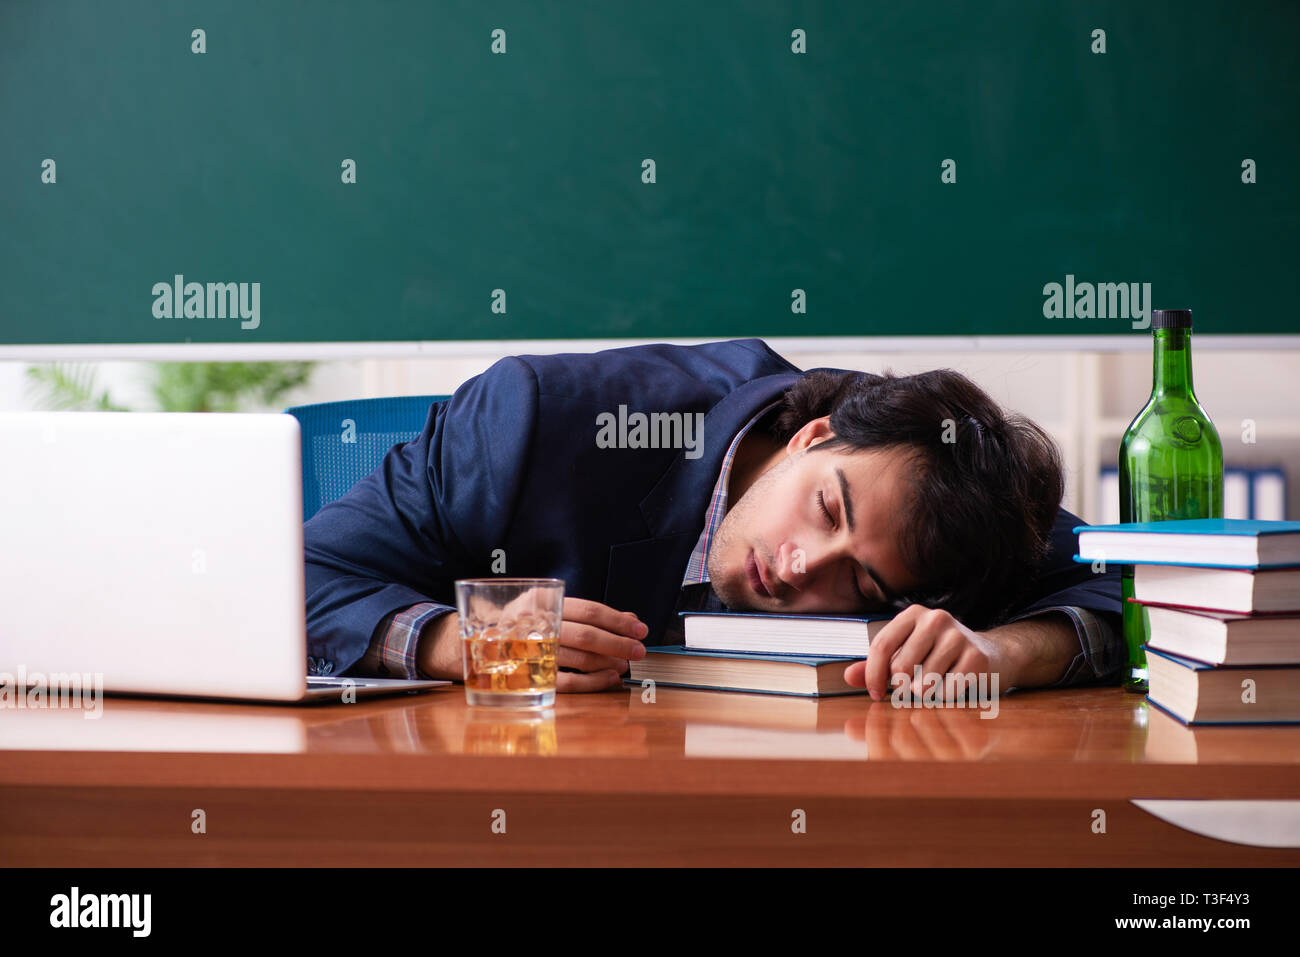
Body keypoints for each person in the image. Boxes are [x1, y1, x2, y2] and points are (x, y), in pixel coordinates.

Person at [303, 338, 1123, 698]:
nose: (805, 565)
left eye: (861, 580)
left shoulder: (946, 498)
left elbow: (1138, 596)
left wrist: (1006, 649)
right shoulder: (534, 424)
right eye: (824, 508)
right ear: (813, 433)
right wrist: (467, 644)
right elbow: (301, 573)